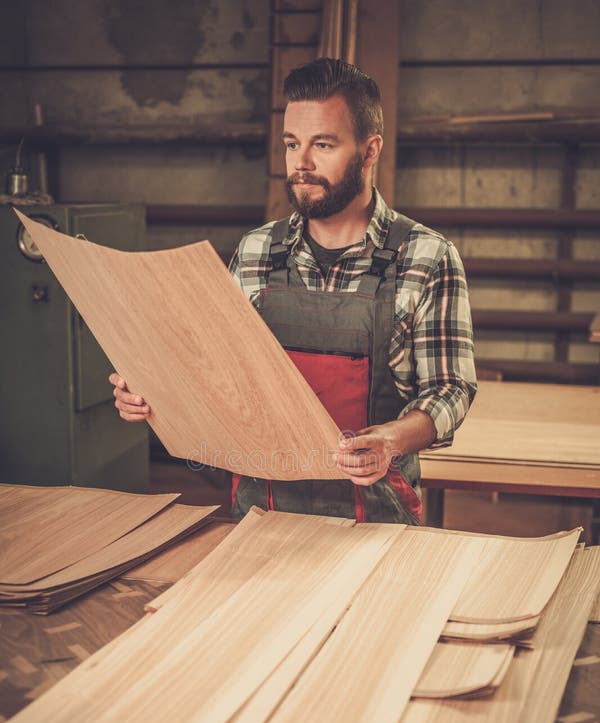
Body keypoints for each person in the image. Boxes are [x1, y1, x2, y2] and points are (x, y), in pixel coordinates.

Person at [110, 57, 477, 524]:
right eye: (291, 144)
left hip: (376, 519)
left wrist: (390, 440)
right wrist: (153, 391)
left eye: (322, 144)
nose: (300, 164)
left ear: (370, 150)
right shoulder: (256, 250)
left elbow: (450, 389)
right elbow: (214, 369)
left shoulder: (427, 257)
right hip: (260, 516)